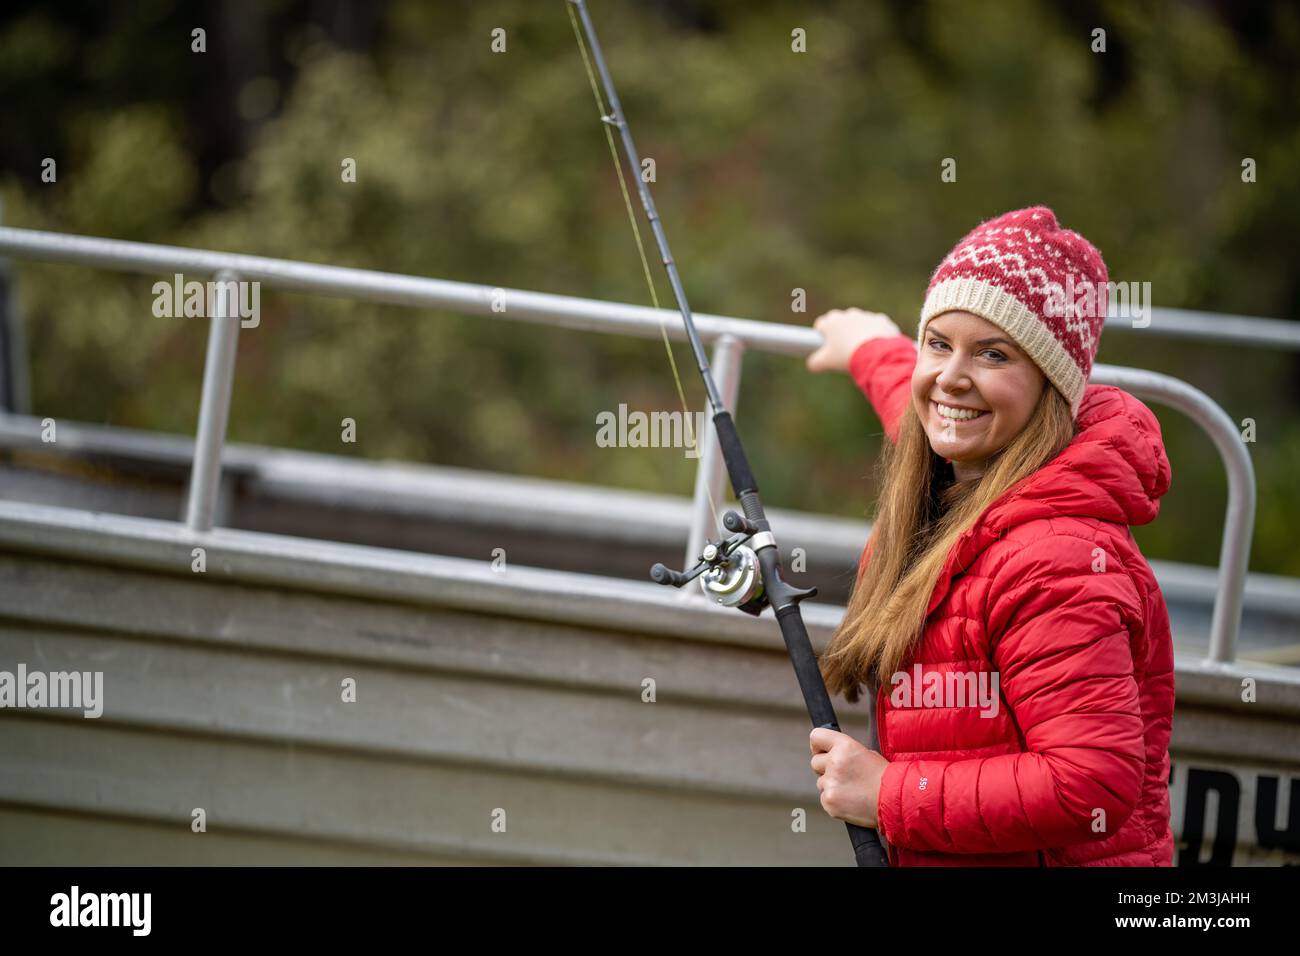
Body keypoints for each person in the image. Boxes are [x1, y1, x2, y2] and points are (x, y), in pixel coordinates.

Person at [803, 206, 1175, 866]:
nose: (950, 377)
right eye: (939, 342)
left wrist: (889, 793)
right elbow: (923, 402)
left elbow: (1091, 782)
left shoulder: (1055, 560)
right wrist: (869, 345)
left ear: (1049, 388)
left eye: (994, 353)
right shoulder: (971, 465)